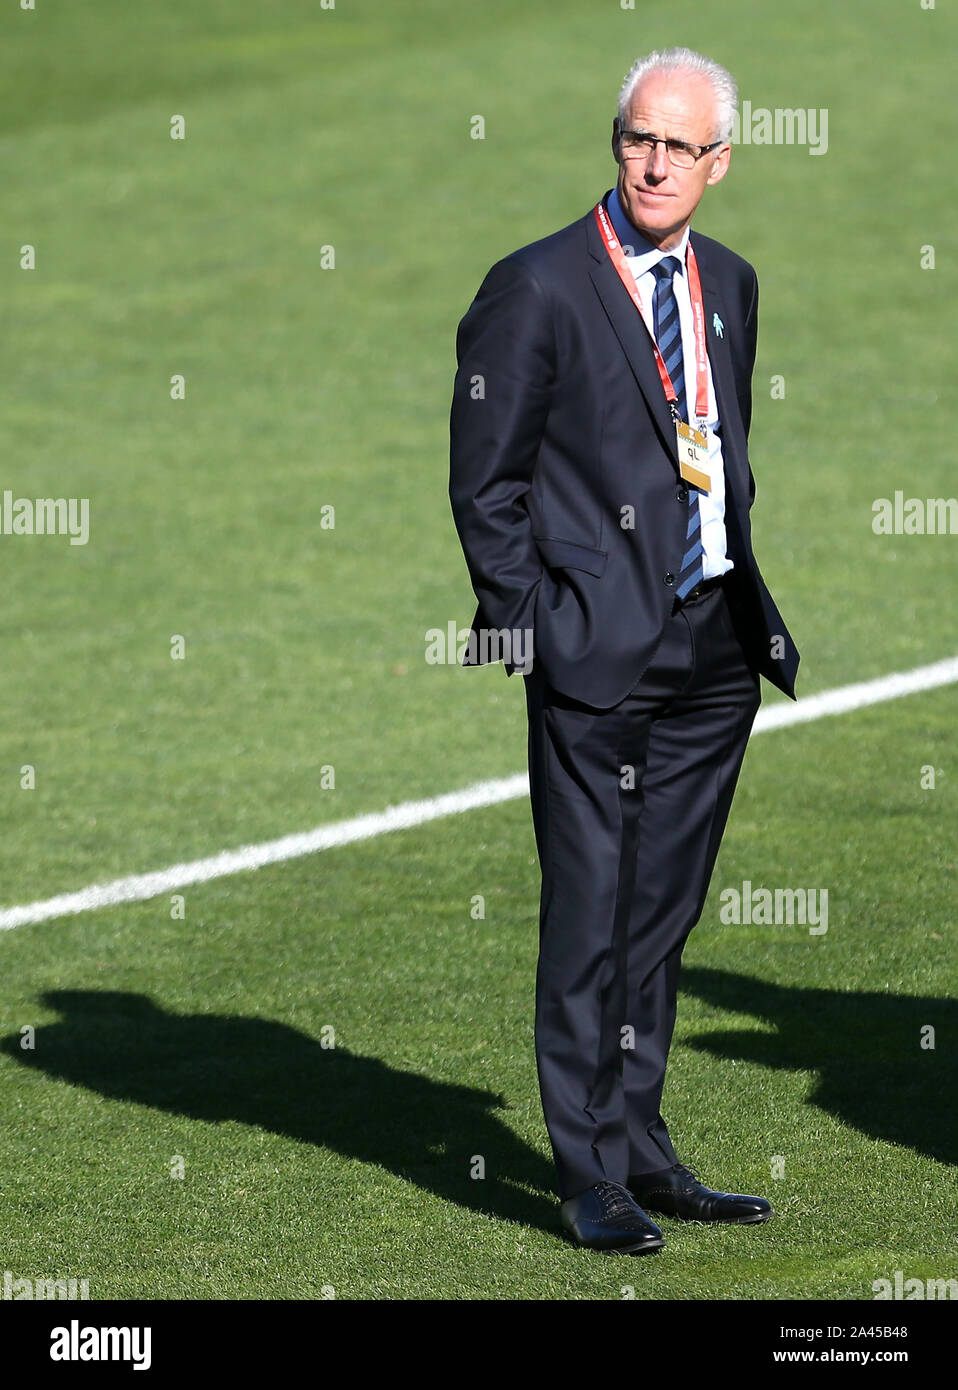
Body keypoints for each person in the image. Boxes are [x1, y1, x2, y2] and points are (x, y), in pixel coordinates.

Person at [448, 47, 799, 1254]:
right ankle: (585, 1170)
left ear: (719, 163)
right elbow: (484, 484)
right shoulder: (536, 287)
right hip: (595, 656)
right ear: (618, 142)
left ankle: (641, 1145)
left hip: (711, 648)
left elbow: (719, 443)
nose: (652, 164)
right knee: (589, 910)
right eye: (635, 138)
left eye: (677, 147)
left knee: (661, 912)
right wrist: (530, 625)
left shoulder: (730, 284)